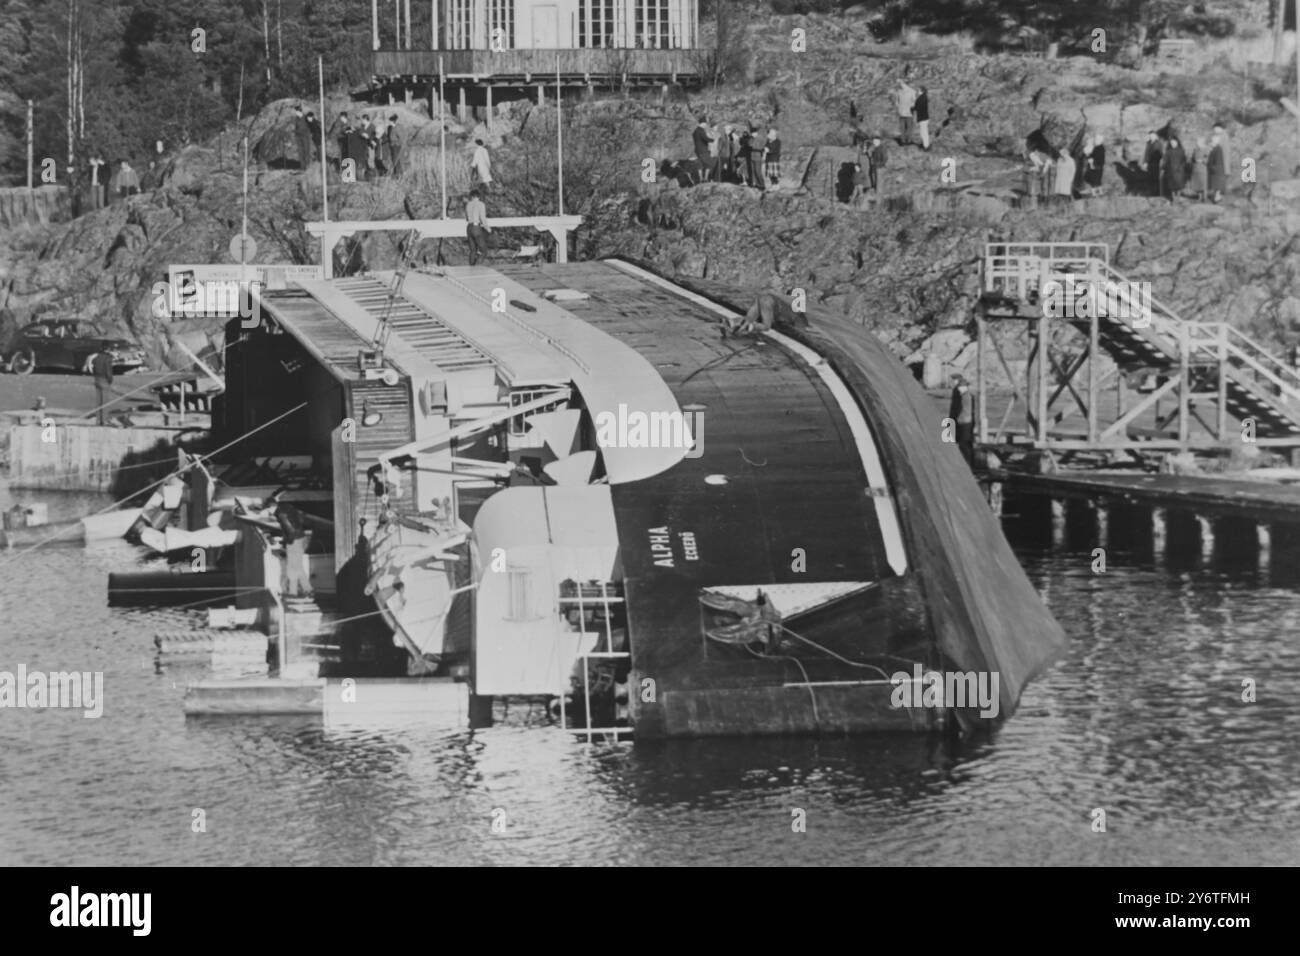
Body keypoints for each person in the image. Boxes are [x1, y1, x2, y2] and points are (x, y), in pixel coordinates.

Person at [948, 375, 976, 468]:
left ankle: (966, 465)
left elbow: (959, 409)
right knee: (964, 445)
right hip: (964, 422)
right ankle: (966, 464)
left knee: (964, 445)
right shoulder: (965, 395)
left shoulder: (965, 396)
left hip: (964, 423)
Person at [465, 189, 491, 266]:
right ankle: (477, 267)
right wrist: (487, 228)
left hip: (469, 227)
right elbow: (482, 218)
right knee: (484, 250)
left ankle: (471, 268)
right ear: (478, 196)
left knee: (473, 250)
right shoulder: (481, 204)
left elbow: (467, 218)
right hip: (476, 227)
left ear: (471, 196)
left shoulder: (468, 204)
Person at [91, 350, 114, 426]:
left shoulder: (96, 358)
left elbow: (93, 369)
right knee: (105, 402)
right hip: (104, 380)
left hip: (97, 379)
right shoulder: (107, 358)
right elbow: (108, 370)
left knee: (98, 401)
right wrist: (110, 379)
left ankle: (98, 420)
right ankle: (104, 420)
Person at [1161, 135, 1187, 201]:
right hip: (1171, 170)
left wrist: (1181, 167)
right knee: (1172, 186)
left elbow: (1184, 160)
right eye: (1171, 143)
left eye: (1174, 142)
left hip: (1179, 171)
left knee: (1179, 185)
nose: (1173, 144)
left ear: (1177, 142)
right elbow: (1165, 161)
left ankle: (1178, 197)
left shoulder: (1181, 150)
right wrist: (1163, 167)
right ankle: (1173, 198)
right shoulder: (1168, 151)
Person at [1207, 125, 1227, 203]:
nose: (1212, 142)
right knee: (1216, 187)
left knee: (1217, 186)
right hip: (1216, 170)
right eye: (1212, 140)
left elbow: (1217, 161)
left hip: (1216, 170)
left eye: (1213, 141)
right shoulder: (1215, 149)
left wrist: (1211, 167)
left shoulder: (1218, 149)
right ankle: (1216, 198)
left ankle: (1216, 199)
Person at [894, 78, 917, 146]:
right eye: (899, 84)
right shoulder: (898, 91)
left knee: (909, 127)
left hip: (909, 113)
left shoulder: (912, 91)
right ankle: (902, 141)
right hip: (901, 113)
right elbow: (896, 102)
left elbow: (915, 102)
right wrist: (898, 107)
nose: (900, 85)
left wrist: (910, 106)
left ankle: (909, 141)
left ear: (905, 83)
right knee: (902, 128)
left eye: (901, 83)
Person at [1142, 131, 1164, 197]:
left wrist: (1160, 161)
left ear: (1156, 136)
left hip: (1156, 163)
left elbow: (1160, 153)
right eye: (1150, 136)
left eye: (1153, 135)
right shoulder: (1148, 143)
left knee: (1156, 178)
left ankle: (1156, 193)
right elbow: (1146, 154)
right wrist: (1145, 162)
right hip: (1150, 163)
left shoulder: (1159, 143)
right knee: (1150, 178)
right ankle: (1151, 192)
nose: (1151, 137)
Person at [692, 116, 713, 183]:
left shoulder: (695, 131)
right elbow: (706, 138)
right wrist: (713, 139)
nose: (706, 125)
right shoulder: (701, 130)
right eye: (706, 124)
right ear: (703, 123)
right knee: (709, 163)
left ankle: (701, 179)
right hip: (703, 150)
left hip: (697, 150)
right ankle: (705, 179)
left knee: (700, 165)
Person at [749, 125, 767, 190]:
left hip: (758, 156)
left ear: (756, 132)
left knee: (758, 171)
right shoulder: (752, 138)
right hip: (752, 156)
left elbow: (762, 147)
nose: (752, 134)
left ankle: (762, 185)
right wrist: (751, 139)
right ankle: (757, 184)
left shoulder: (760, 138)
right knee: (753, 171)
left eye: (752, 133)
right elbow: (749, 145)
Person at [914, 85, 931, 150]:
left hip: (923, 118)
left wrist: (913, 108)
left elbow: (918, 107)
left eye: (918, 90)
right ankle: (925, 144)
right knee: (924, 132)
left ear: (921, 91)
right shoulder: (923, 97)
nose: (917, 91)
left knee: (923, 133)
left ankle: (926, 146)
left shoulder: (922, 98)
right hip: (924, 117)